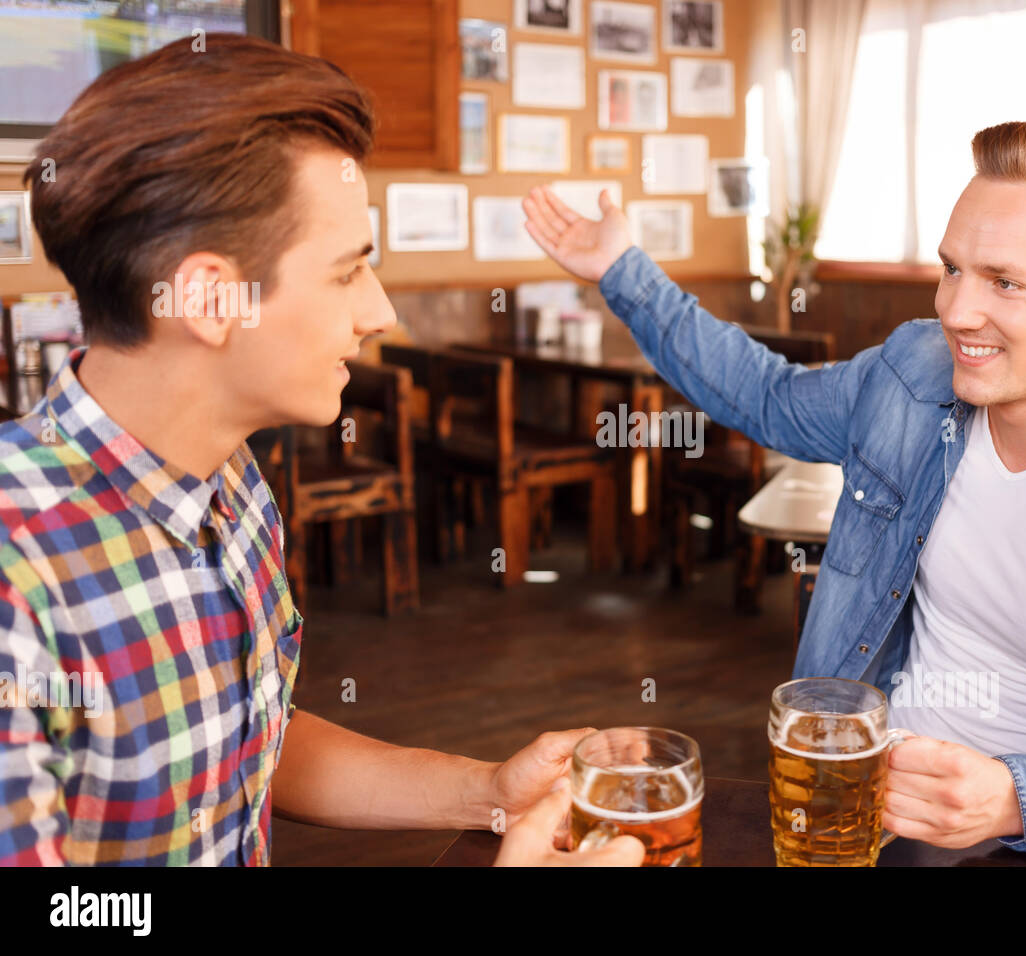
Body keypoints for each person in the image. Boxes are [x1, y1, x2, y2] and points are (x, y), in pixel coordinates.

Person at [521, 120, 1026, 861]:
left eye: (1005, 282)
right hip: (861, 823)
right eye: (953, 267)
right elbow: (764, 394)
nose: (957, 311)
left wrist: (1021, 800)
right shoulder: (911, 371)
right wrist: (625, 271)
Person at [0, 34, 641, 867]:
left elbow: (243, 743)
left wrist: (488, 794)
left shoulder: (229, 480)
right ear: (208, 297)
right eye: (347, 272)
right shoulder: (18, 586)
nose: (377, 311)